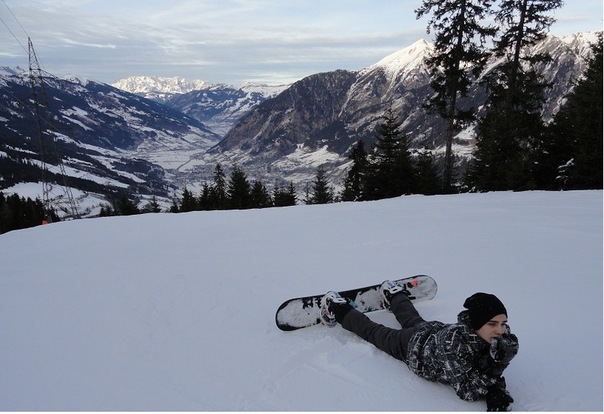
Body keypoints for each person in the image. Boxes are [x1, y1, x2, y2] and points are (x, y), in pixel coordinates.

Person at [320, 281, 519, 412]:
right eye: (492, 324)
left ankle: (394, 294)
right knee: (374, 332)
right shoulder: (454, 346)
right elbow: (467, 390)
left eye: (503, 323)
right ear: (476, 325)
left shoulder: (499, 336)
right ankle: (337, 307)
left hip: (431, 331)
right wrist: (497, 366)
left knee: (412, 319)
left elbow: (483, 367)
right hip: (412, 348)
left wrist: (496, 390)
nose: (501, 330)